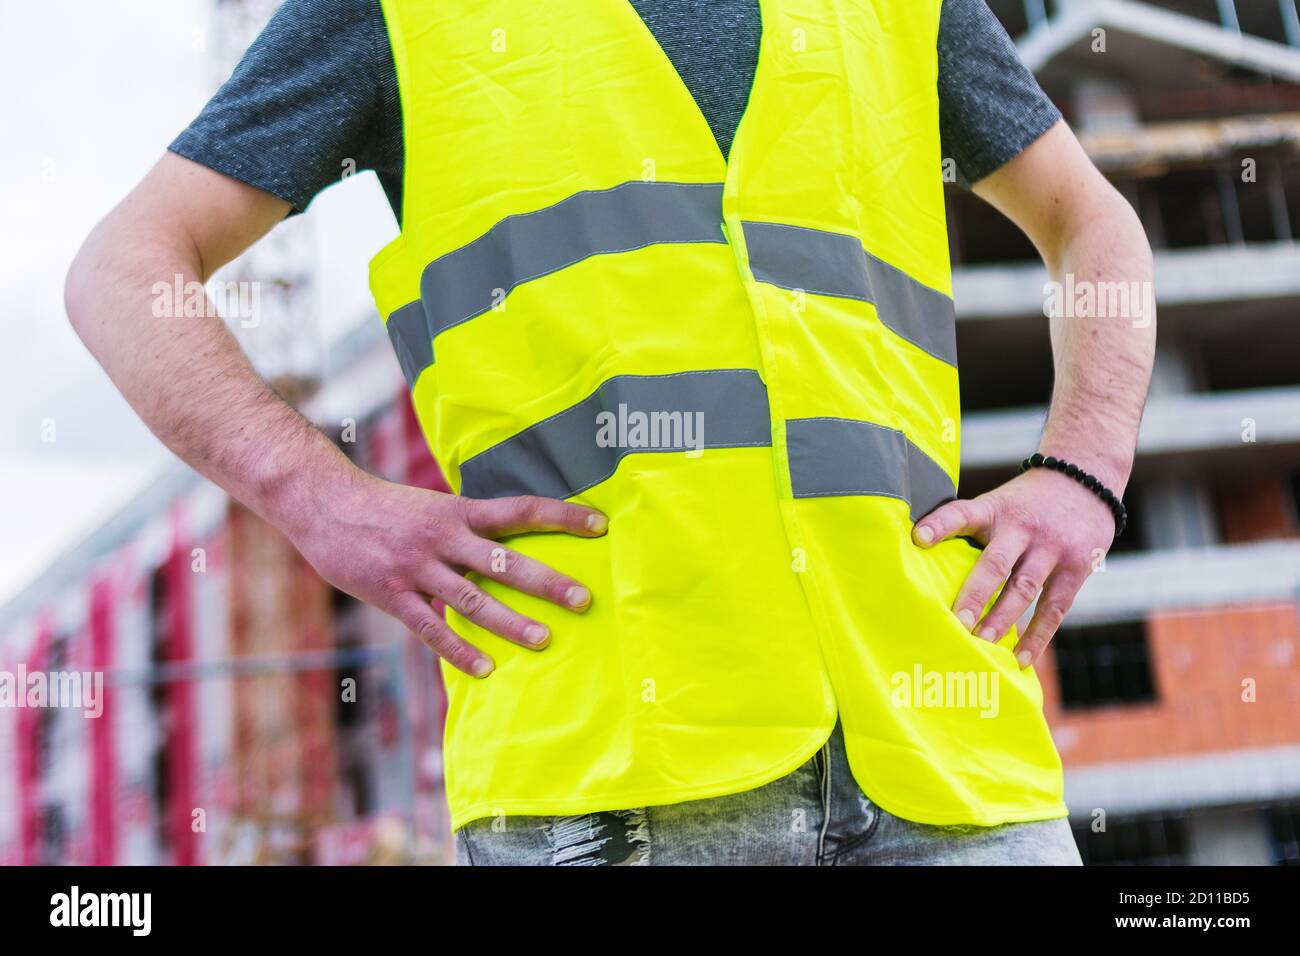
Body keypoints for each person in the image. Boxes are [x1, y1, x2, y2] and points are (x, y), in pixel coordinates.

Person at [66, 0, 1155, 865]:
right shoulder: (396, 11)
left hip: (946, 752)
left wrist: (1082, 470)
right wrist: (319, 496)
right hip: (611, 781)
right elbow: (124, 269)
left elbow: (1092, 220)